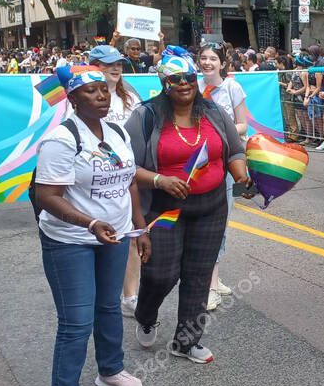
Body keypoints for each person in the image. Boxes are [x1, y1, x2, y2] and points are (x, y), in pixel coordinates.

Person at [33, 64, 150, 386]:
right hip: (70, 240)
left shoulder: (116, 133)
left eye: (104, 88)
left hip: (113, 236)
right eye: (91, 91)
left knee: (108, 307)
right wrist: (90, 223)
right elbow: (47, 196)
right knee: (75, 325)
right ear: (72, 98)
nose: (102, 95)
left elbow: (129, 182)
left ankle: (110, 370)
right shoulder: (61, 140)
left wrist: (139, 228)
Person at [125, 47, 250, 365]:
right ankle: (146, 315)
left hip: (211, 206)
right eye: (176, 79)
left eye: (189, 78)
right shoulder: (146, 116)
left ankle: (186, 341)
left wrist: (241, 175)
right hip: (166, 209)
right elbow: (125, 167)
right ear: (163, 83)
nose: (184, 84)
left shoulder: (213, 112)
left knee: (198, 274)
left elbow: (234, 150)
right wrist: (159, 180)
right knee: (160, 274)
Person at [88, 45, 143, 316]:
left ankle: (130, 296)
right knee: (99, 236)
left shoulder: (130, 96)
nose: (116, 68)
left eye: (119, 63)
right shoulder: (78, 99)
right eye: (108, 64)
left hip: (127, 175)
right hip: (96, 178)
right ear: (94, 67)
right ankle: (98, 296)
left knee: (132, 234)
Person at [198, 44, 250, 311]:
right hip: (198, 165)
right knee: (202, 222)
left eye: (212, 59)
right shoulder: (194, 87)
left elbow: (243, 124)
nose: (207, 62)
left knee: (220, 221)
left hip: (225, 161)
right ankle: (211, 280)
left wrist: (219, 130)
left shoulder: (232, 88)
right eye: (203, 58)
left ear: (221, 63)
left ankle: (211, 284)